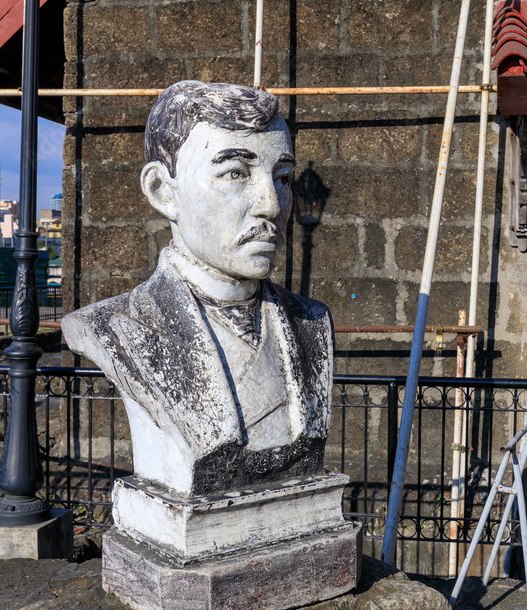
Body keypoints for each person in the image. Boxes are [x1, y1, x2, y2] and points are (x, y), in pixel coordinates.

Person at [62, 81, 334, 498]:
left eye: (282, 177)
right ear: (162, 191)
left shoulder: (311, 323)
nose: (272, 204)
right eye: (235, 174)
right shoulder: (114, 326)